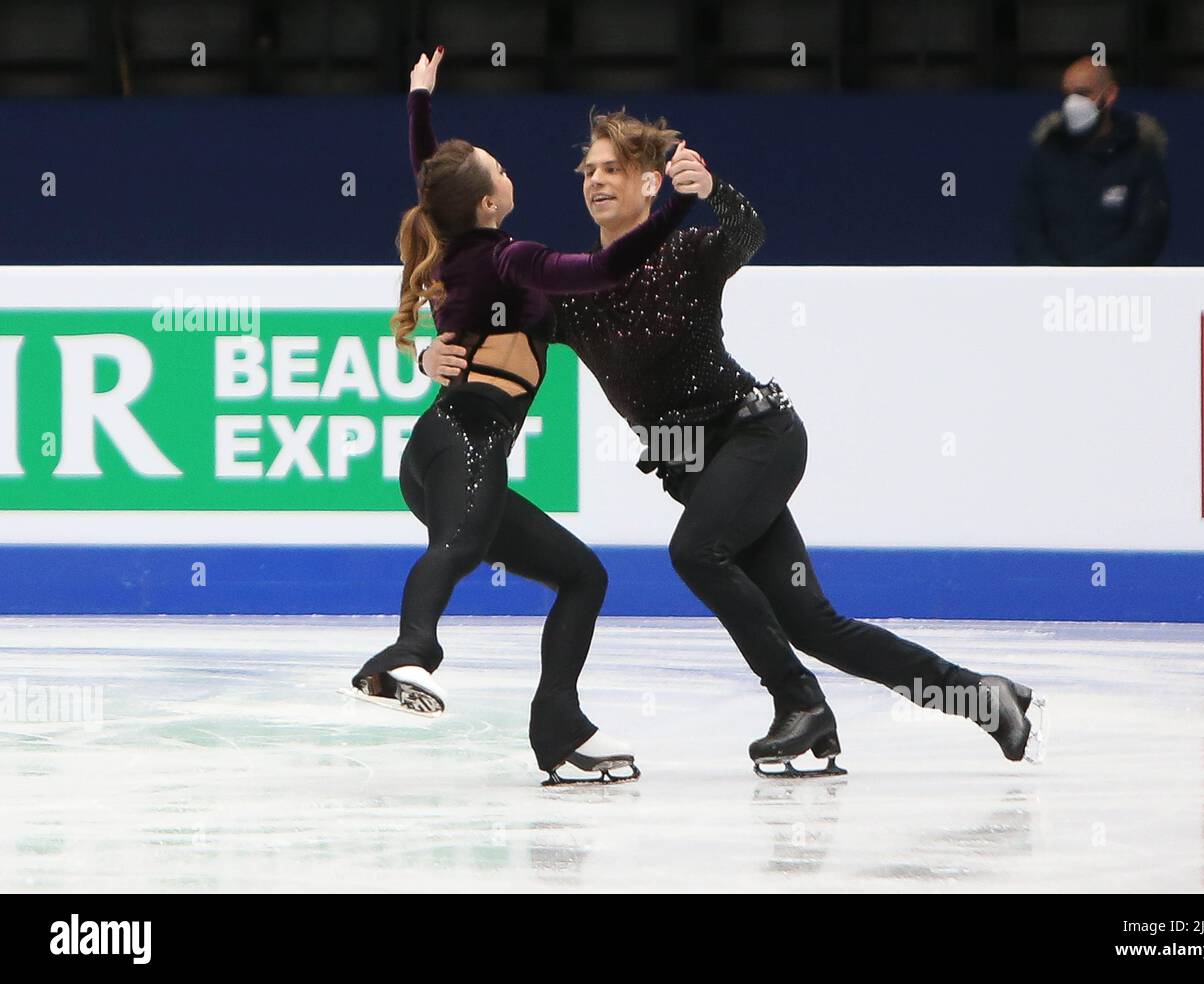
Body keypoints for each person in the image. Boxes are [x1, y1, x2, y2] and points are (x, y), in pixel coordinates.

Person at [414, 91, 1045, 776]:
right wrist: (427, 352)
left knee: (697, 552)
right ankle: (985, 700)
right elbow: (466, 266)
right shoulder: (566, 291)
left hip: (758, 436)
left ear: (651, 184)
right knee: (812, 622)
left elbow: (747, 234)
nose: (595, 180)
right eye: (588, 171)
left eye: (612, 170)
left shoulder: (688, 252)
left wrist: (715, 190)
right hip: (701, 470)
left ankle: (800, 702)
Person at [352, 48, 695, 786]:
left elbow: (429, 175)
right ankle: (406, 655)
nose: (510, 174)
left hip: (450, 447)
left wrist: (419, 98)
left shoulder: (456, 243)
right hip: (462, 441)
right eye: (498, 169)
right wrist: (678, 208)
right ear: (485, 203)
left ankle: (559, 729)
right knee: (460, 546)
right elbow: (602, 270)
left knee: (582, 576)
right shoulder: (510, 260)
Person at [1014, 57, 1169, 265]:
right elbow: (1026, 230)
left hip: (1121, 291)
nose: (1072, 103)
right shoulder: (1046, 156)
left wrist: (1092, 276)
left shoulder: (1139, 157)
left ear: (1110, 94)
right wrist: (1056, 277)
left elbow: (1147, 234)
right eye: (1067, 95)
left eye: (1083, 93)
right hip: (1052, 290)